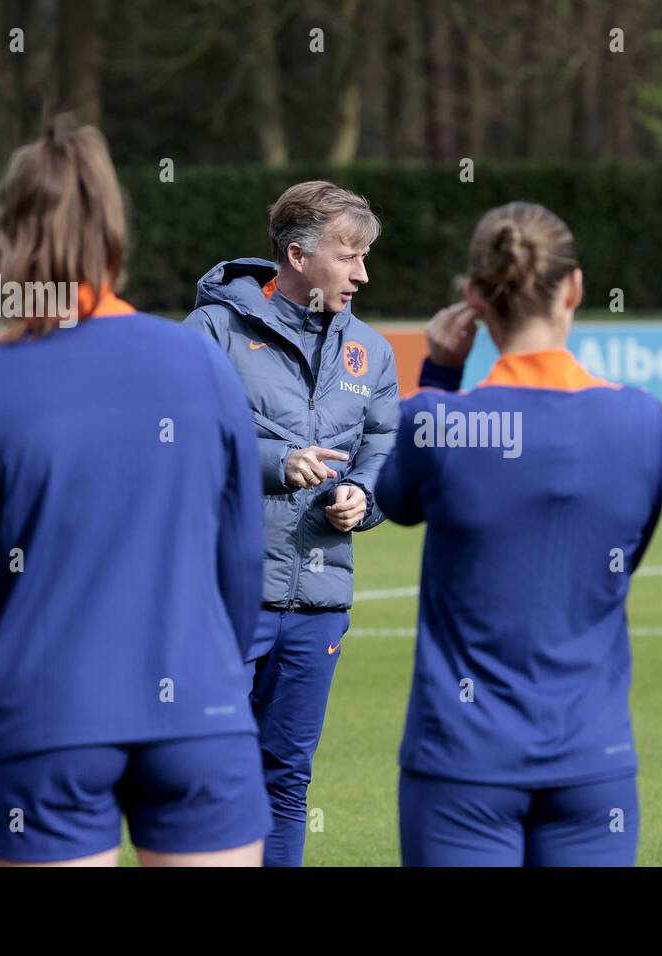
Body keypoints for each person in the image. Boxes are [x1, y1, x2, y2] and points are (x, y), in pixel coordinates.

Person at [0, 119, 268, 866]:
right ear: (114, 231)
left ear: (10, 238)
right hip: (203, 717)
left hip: (47, 726)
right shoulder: (202, 365)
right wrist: (215, 690)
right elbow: (244, 558)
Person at [375, 201, 662, 866]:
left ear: (474, 298)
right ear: (575, 288)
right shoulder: (641, 421)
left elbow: (393, 500)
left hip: (462, 759)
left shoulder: (438, 422)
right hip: (593, 757)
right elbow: (622, 555)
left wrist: (441, 373)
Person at [184, 181, 399, 867]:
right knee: (207, 777)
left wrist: (364, 496)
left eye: (366, 257)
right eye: (350, 256)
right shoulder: (213, 332)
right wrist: (277, 463)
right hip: (225, 597)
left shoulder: (373, 351)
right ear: (299, 254)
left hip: (319, 607)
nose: (363, 274)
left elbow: (384, 453)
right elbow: (174, 444)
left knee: (287, 778)